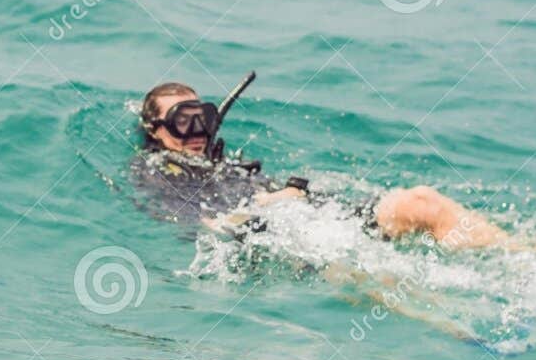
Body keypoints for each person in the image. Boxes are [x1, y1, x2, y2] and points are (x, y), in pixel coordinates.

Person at [135, 80, 507, 248]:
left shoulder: (218, 161)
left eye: (202, 118)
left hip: (316, 217)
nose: (196, 131)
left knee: (423, 202)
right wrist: (265, 204)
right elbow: (204, 225)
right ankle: (460, 330)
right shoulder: (162, 174)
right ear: (156, 130)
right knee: (357, 269)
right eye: (183, 122)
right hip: (291, 240)